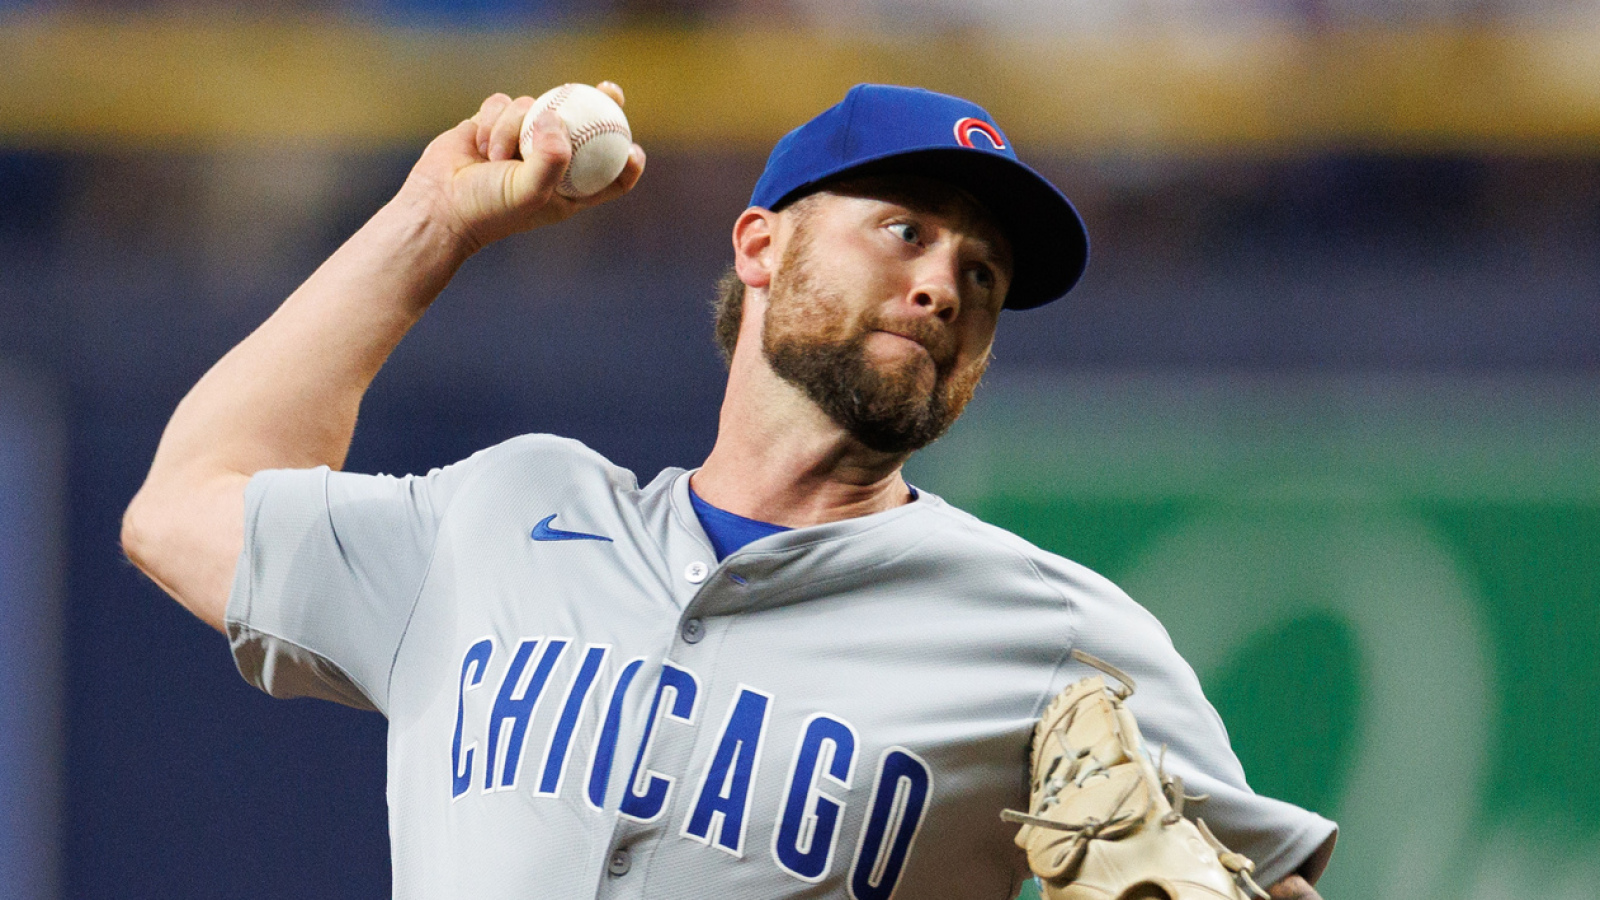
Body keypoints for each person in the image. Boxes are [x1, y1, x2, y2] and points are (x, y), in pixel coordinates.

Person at [123, 82, 1336, 899]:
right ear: (761, 245)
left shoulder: (1058, 640)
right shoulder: (505, 515)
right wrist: (431, 222)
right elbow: (181, 510)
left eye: (983, 273)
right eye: (904, 231)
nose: (943, 286)